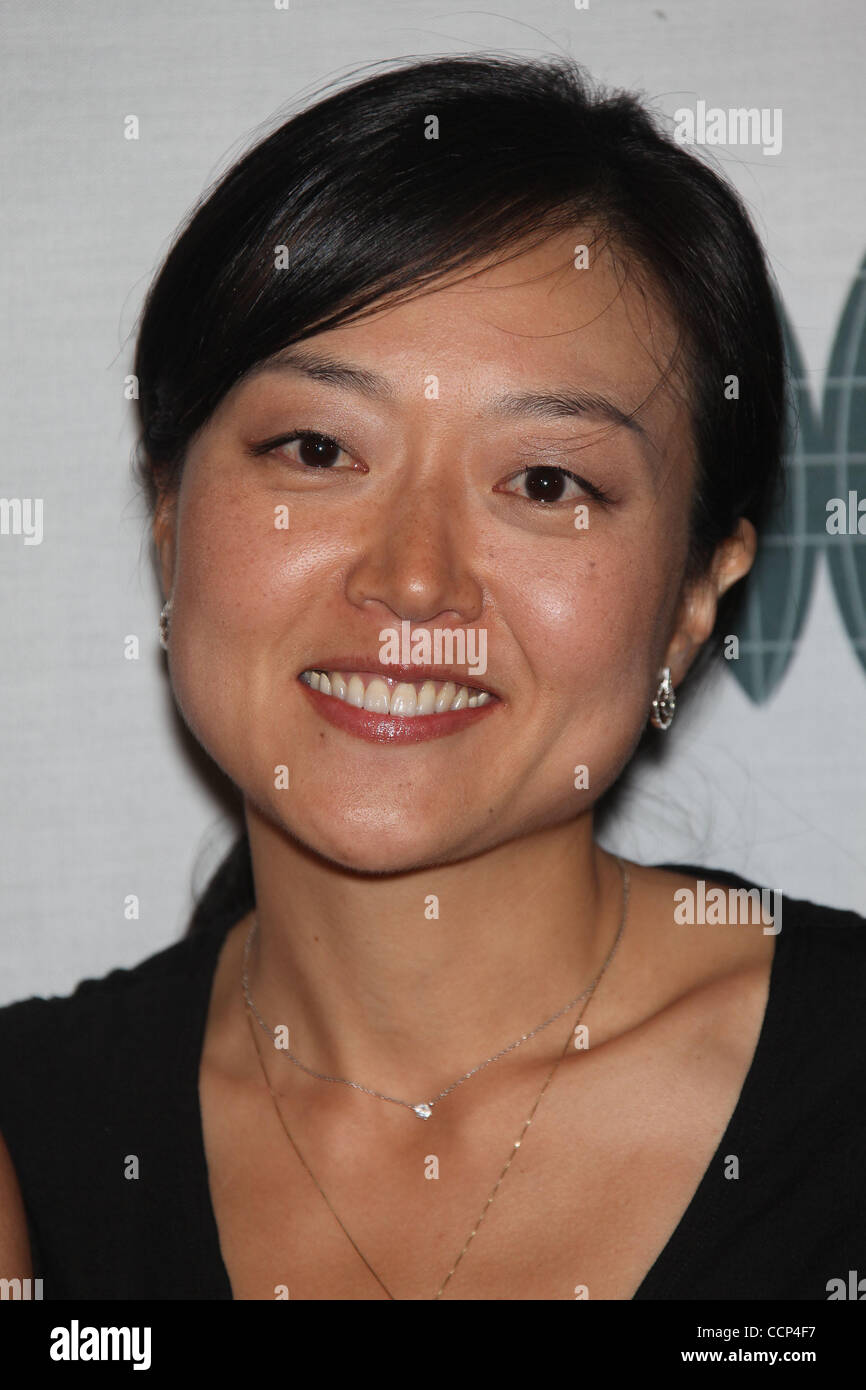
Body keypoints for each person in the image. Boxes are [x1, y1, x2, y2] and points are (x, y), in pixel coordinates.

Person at [1, 53, 863, 1302]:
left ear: (694, 594)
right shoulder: (31, 1140)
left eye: (546, 482)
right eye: (315, 447)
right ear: (169, 516)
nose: (413, 582)